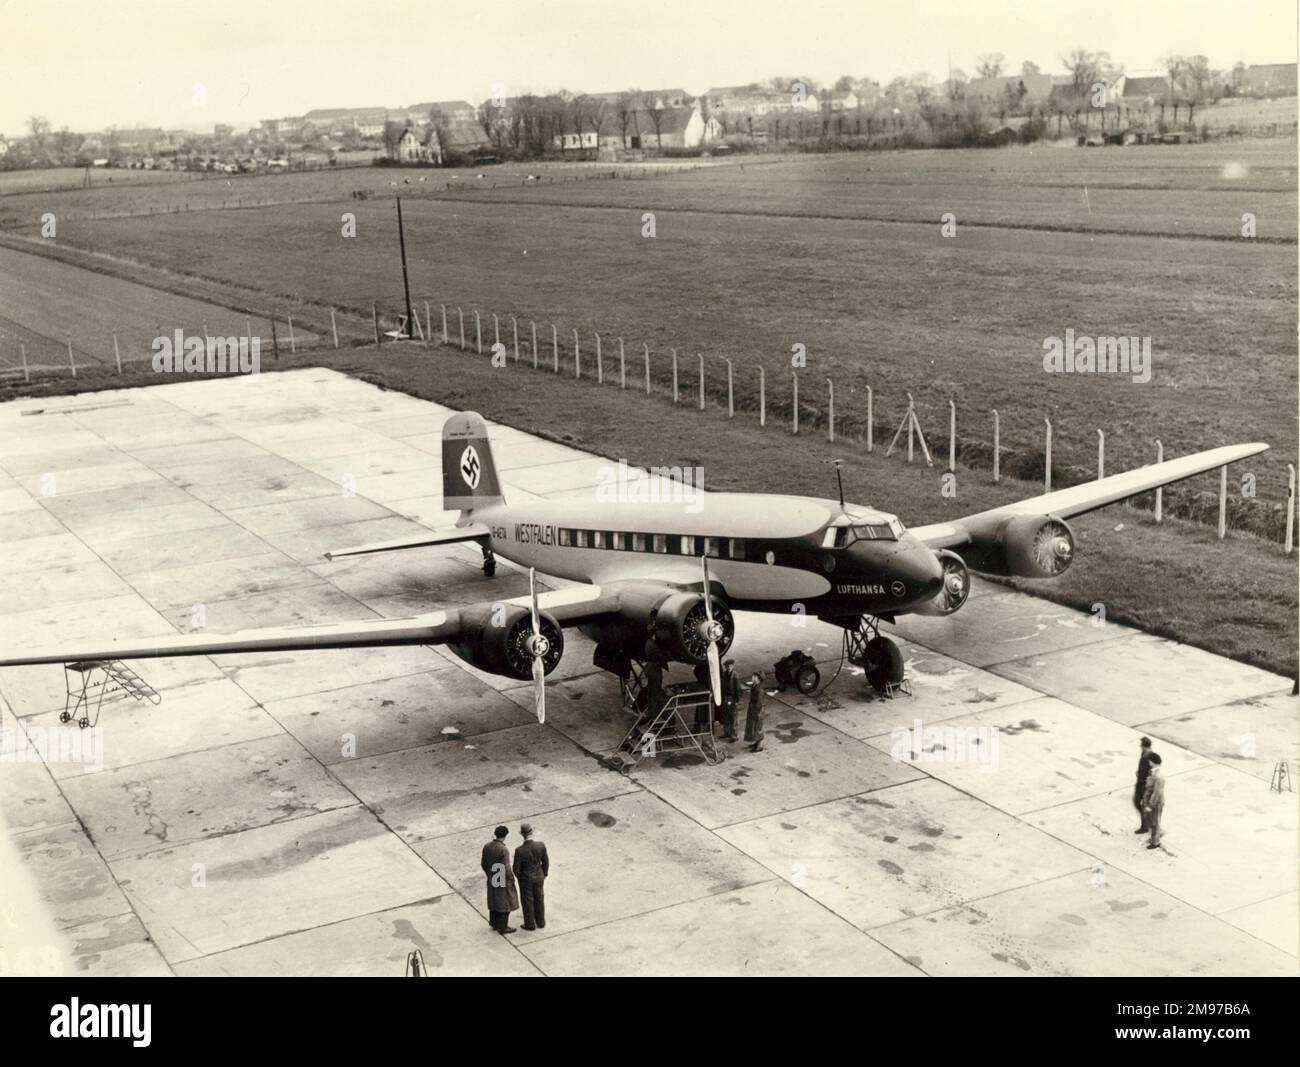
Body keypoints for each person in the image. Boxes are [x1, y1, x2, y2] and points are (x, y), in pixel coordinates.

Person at [480, 825, 519, 933]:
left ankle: (494, 922)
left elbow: (483, 863)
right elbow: (506, 867)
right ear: (505, 835)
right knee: (504, 902)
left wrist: (490, 874)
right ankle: (503, 926)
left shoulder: (487, 846)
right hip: (502, 878)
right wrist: (511, 879)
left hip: (492, 876)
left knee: (493, 900)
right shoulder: (503, 849)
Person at [512, 822, 550, 931]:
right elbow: (546, 861)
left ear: (522, 835)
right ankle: (541, 922)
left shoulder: (519, 850)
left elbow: (516, 869)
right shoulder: (541, 845)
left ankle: (530, 924)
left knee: (527, 901)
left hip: (526, 879)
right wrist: (544, 873)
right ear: (532, 832)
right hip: (539, 877)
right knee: (539, 898)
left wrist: (521, 878)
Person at [1143, 754, 1165, 849]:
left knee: (1155, 822)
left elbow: (1157, 793)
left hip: (1155, 803)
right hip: (1150, 801)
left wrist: (1150, 805)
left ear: (1152, 762)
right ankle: (1155, 836)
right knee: (1152, 821)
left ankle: (1155, 842)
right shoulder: (1153, 772)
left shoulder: (1159, 776)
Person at [1133, 737, 1154, 834]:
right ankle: (1146, 823)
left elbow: (1152, 771)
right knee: (1137, 802)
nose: (1140, 747)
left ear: (1144, 746)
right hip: (1140, 781)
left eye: (1141, 745)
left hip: (1144, 784)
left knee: (1142, 805)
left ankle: (1146, 826)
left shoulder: (1150, 755)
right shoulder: (1144, 753)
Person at [743, 672, 765, 752]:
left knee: (757, 728)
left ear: (759, 679)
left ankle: (759, 746)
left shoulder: (759, 690)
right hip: (753, 709)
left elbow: (759, 703)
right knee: (754, 728)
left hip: (757, 711)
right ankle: (756, 743)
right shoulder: (754, 686)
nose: (752, 677)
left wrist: (756, 713)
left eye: (755, 676)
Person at [720, 660, 740, 741]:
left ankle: (734, 735)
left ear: (732, 666)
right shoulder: (724, 674)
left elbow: (737, 688)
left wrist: (737, 699)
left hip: (732, 698)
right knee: (726, 716)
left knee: (733, 717)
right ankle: (727, 733)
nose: (728, 668)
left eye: (730, 666)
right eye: (727, 666)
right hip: (725, 697)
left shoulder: (735, 675)